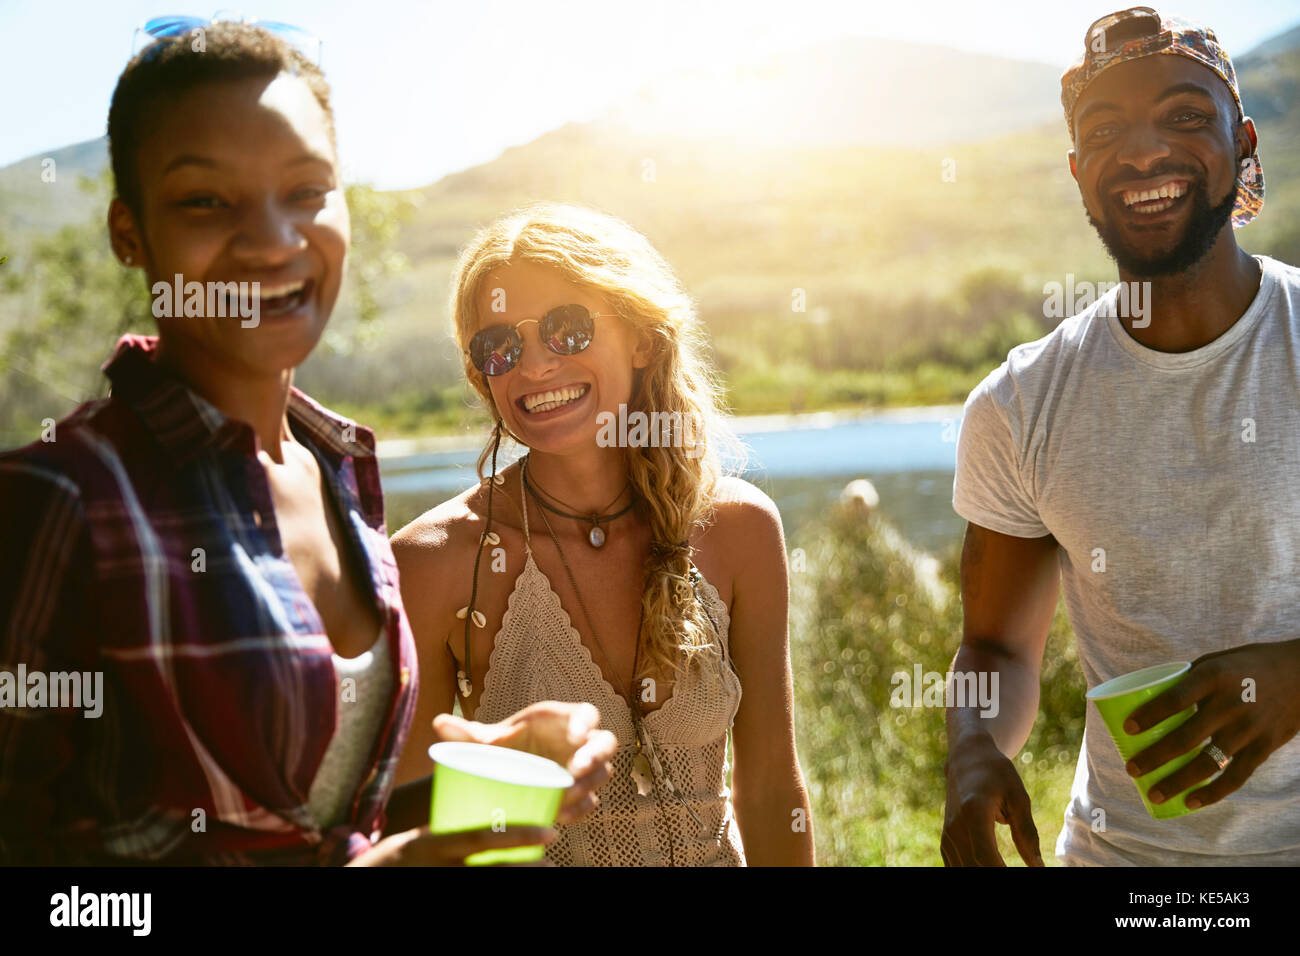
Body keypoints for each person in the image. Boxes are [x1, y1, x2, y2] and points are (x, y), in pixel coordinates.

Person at [0, 21, 615, 866]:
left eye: (306, 190)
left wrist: (486, 773)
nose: (274, 241)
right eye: (205, 201)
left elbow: (321, 826)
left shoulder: (340, 475)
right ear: (128, 233)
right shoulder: (57, 500)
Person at [943, 7, 1300, 866]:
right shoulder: (1020, 404)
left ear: (1242, 143)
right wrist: (973, 756)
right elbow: (994, 647)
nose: (1143, 152)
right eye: (1106, 131)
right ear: (1077, 170)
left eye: (1184, 116)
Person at [392, 203, 814, 865]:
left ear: (641, 338)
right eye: (499, 345)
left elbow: (769, 789)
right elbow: (416, 834)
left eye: (565, 329)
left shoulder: (740, 531)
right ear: (483, 376)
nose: (532, 366)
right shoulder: (432, 563)